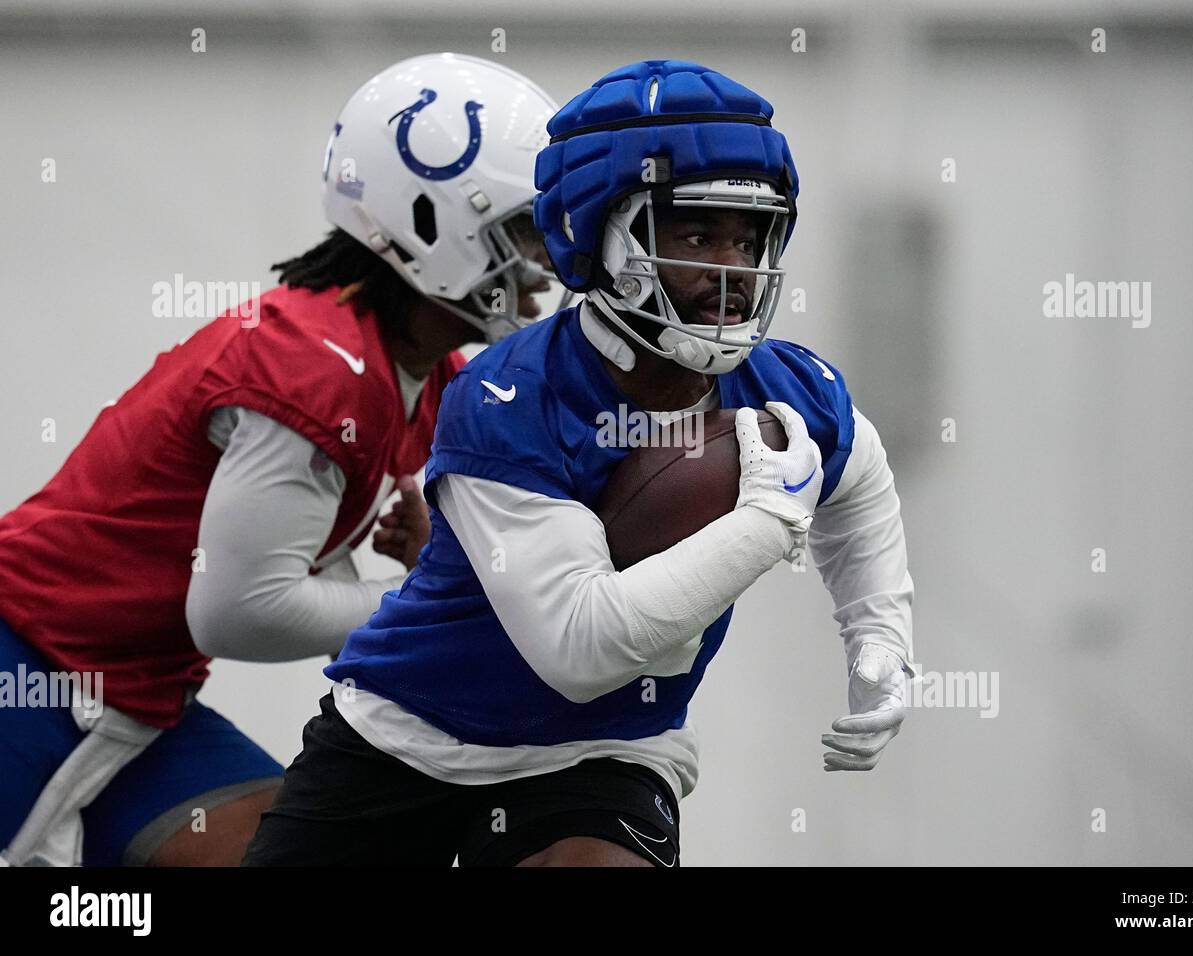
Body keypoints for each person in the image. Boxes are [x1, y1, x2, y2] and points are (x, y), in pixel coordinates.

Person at [243, 58, 915, 869]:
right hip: (409, 737)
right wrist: (768, 522)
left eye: (751, 236)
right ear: (602, 232)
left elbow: (861, 481)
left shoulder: (788, 387)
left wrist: (878, 636)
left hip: (604, 750)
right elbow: (581, 649)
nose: (732, 269)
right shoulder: (510, 393)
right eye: (699, 233)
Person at [0, 53, 559, 867]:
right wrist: (419, 599)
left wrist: (424, 567)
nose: (546, 263)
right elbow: (239, 609)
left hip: (136, 696)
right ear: (432, 222)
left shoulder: (424, 371)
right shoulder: (317, 363)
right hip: (31, 668)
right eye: (523, 231)